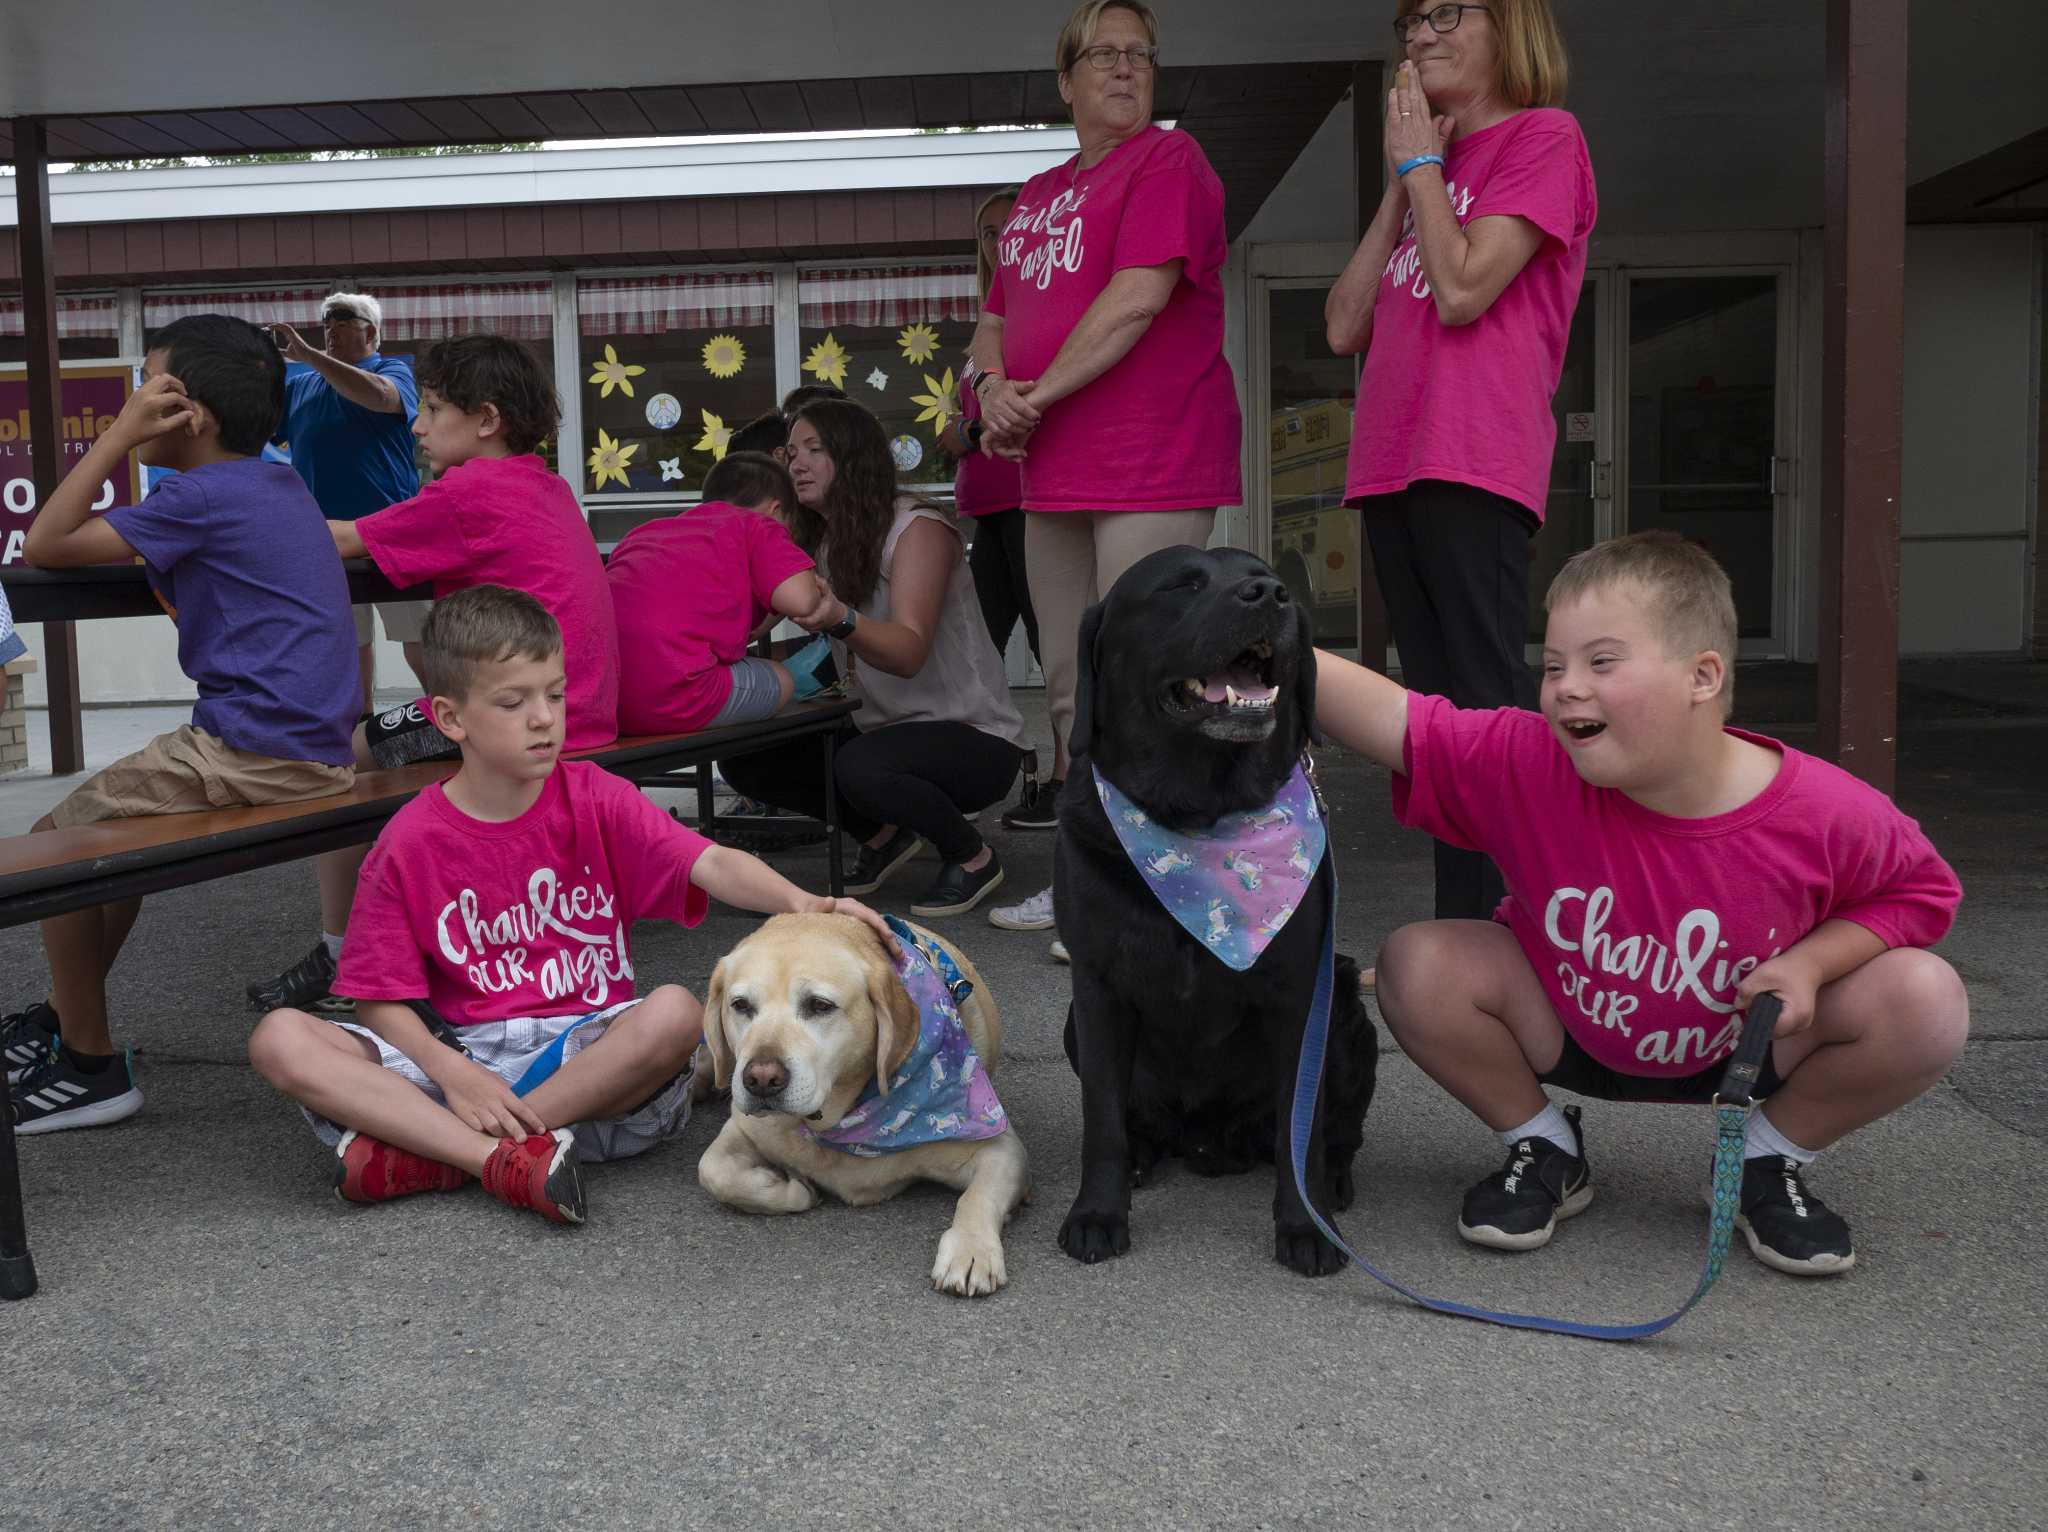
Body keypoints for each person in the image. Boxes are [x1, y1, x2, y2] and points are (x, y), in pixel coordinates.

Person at [1315, 532, 1967, 1276]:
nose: (1565, 687)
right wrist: (1265, 640)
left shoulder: (1827, 808)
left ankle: (1763, 1160)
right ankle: (1544, 1146)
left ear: (1702, 676)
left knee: (1925, 998)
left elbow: (1921, 893)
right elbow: (1397, 719)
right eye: (1553, 665)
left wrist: (1814, 965)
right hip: (1570, 1029)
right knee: (1417, 961)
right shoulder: (1530, 763)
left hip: (1752, 1047)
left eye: (1601, 661)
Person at [247, 585, 899, 1225]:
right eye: (514, 702)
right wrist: (452, 1072)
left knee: (674, 1011)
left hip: (594, 1064)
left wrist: (806, 900)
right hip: (464, 1060)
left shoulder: (595, 795)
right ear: (450, 719)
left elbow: (709, 860)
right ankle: (494, 1155)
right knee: (281, 1038)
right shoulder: (409, 840)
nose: (544, 718)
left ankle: (450, 1155)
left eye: (554, 695)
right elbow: (376, 996)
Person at [2, 315, 358, 1133]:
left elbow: (46, 541)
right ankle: (68, 1019)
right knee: (103, 847)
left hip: (253, 749)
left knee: (56, 842)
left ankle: (89, 1066)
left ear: (183, 413)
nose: (135, 403)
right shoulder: (278, 483)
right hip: (309, 748)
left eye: (148, 388)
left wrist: (118, 438)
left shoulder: (199, 496)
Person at [969, 0, 1242, 938]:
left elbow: (1136, 300)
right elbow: (993, 322)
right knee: (1068, 685)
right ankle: (1090, 878)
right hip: (1057, 474)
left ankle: (1159, 891)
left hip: (1153, 462)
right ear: (1066, 79)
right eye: (1105, 56)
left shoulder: (1170, 161)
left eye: (1142, 56)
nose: (1126, 70)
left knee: (1150, 681)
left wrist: (1028, 400)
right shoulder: (1040, 195)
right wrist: (995, 387)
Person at [246, 333, 619, 1016]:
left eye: (434, 409)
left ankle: (340, 952)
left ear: (485, 419)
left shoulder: (468, 490)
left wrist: (237, 511)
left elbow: (339, 541)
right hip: (578, 707)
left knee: (337, 759)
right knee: (393, 746)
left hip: (513, 718)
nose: (416, 424)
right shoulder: (546, 484)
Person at [1324, 0, 1595, 923]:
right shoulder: (1425, 176)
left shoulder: (1544, 138)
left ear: (1509, 26)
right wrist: (1405, 186)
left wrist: (1423, 169)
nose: (1421, 34)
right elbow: (1342, 324)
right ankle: (1466, 928)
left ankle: (1527, 922)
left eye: (1445, 13)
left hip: (1473, 459)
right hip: (1392, 468)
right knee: (1437, 720)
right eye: (1409, 21)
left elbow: (1465, 287)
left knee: (1484, 705)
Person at [719, 398, 1027, 919]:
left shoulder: (917, 528)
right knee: (746, 753)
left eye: (815, 450)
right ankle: (883, 833)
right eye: (792, 452)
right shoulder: (821, 540)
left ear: (854, 457)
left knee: (861, 764)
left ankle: (972, 857)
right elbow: (752, 624)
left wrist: (838, 616)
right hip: (883, 733)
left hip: (977, 739)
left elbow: (907, 651)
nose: (796, 464)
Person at [937, 185, 1059, 834]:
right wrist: (964, 427)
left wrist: (973, 427)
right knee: (973, 650)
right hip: (986, 514)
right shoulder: (987, 325)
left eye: (1007, 227)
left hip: (1032, 505)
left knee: (1053, 647)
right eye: (987, 233)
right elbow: (954, 431)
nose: (997, 240)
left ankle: (1067, 780)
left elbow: (1016, 410)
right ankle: (990, 769)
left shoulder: (1037, 315)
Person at [270, 292, 425, 714]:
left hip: (393, 535)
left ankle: (452, 721)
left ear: (371, 331)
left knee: (421, 639)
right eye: (326, 322)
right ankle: (360, 732)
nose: (330, 329)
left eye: (343, 320)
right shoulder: (301, 385)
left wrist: (308, 356)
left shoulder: (392, 370)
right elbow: (259, 430)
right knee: (347, 644)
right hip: (324, 540)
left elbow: (382, 397)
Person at [609, 451, 838, 735]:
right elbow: (802, 601)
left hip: (611, 703)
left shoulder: (646, 533)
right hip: (678, 699)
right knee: (784, 680)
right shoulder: (758, 525)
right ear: (776, 510)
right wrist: (815, 584)